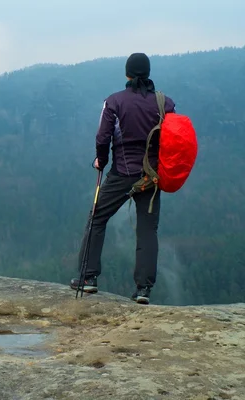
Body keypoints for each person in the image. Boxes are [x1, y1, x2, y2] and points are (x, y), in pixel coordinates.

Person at [69, 52, 175, 304]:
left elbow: (102, 137)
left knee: (97, 218)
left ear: (127, 74)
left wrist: (100, 161)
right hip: (151, 176)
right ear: (148, 74)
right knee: (148, 230)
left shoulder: (114, 102)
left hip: (122, 174)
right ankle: (143, 290)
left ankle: (88, 278)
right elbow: (171, 140)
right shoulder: (165, 103)